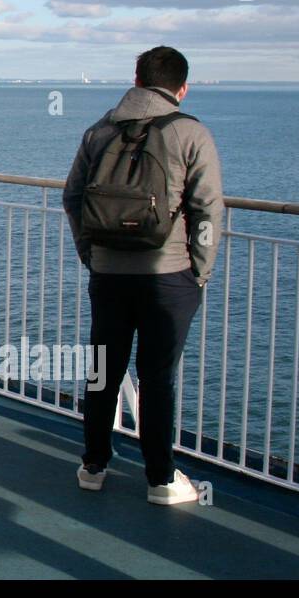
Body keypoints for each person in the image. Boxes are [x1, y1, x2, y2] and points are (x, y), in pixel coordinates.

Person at [62, 46, 224, 506]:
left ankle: (93, 465)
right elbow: (207, 207)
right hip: (167, 275)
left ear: (136, 79)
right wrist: (200, 270)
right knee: (157, 377)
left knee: (102, 371)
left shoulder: (99, 130)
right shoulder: (191, 133)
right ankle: (160, 479)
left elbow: (73, 197)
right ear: (182, 87)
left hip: (108, 273)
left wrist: (91, 254)